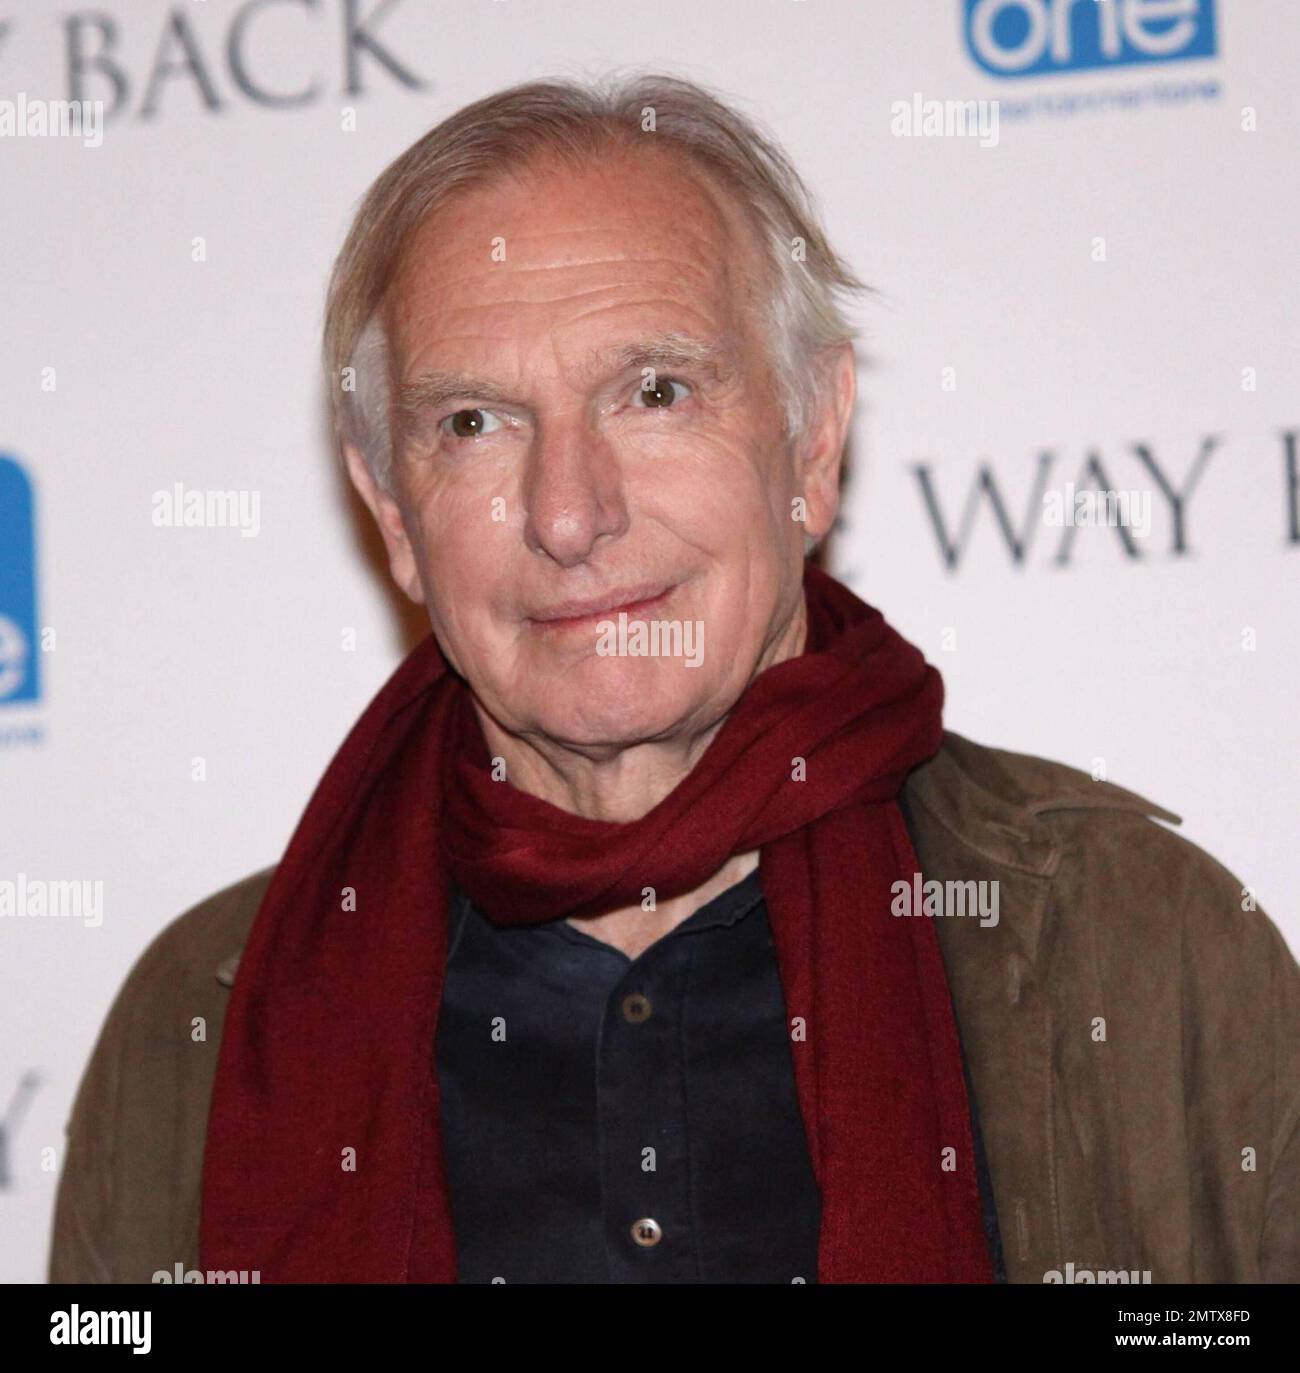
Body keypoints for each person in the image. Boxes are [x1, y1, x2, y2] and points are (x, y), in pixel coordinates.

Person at [50, 73, 1298, 1285]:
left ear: (811, 440)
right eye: (473, 422)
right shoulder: (205, 1027)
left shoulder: (1136, 946)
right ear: (390, 511)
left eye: (653, 393)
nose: (569, 514)